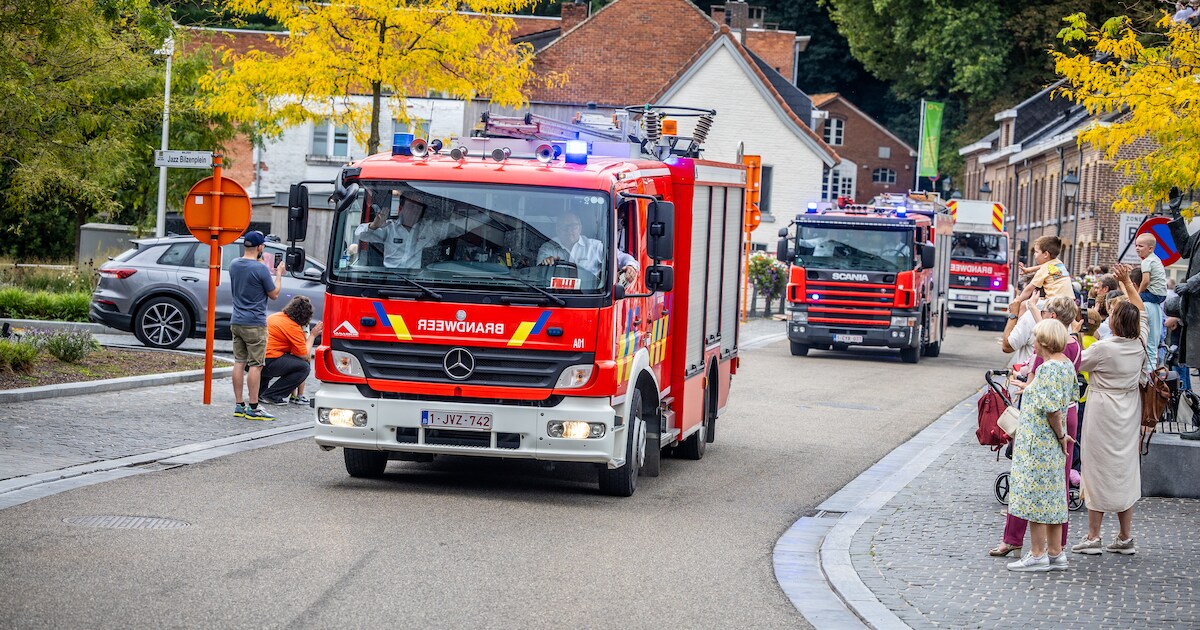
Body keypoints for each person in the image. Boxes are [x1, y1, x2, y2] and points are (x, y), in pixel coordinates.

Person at [989, 297, 1082, 559]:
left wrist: (1025, 383)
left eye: (1044, 311)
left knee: (1028, 481)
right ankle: (1057, 544)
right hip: (1068, 412)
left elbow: (1043, 393)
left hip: (1046, 421)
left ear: (1052, 315)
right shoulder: (1073, 343)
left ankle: (1018, 541)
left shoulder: (1050, 351)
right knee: (1057, 483)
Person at [1071, 264, 1147, 556]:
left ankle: (1093, 537)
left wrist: (1076, 333)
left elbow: (1075, 361)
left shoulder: (1104, 349)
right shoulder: (1139, 342)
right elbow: (1139, 309)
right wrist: (1128, 282)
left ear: (1115, 323)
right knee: (1125, 469)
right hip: (1129, 408)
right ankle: (1125, 536)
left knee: (1097, 469)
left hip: (1103, 409)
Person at [231, 230, 284, 422]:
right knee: (256, 365)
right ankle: (253, 407)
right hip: (255, 323)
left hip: (236, 320)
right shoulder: (261, 269)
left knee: (239, 362)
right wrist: (278, 274)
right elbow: (274, 294)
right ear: (260, 247)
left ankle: (239, 405)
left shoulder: (234, 264)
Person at [537, 210, 637, 283]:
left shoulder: (594, 246)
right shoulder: (548, 247)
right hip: (554, 295)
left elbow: (622, 257)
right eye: (564, 226)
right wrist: (547, 262)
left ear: (580, 227)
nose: (569, 230)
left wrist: (630, 266)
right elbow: (538, 272)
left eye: (573, 226)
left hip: (589, 296)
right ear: (557, 229)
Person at [354, 194, 450, 269]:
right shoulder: (389, 227)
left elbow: (457, 227)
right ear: (401, 209)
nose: (414, 211)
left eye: (418, 208)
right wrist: (374, 225)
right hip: (389, 279)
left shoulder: (429, 229)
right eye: (411, 207)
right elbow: (359, 235)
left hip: (418, 280)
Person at [259, 295, 322, 405]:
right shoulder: (292, 327)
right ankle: (272, 395)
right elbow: (305, 355)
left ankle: (261, 393)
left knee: (279, 357)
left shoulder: (276, 316)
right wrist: (312, 335)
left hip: (255, 359)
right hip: (268, 361)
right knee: (303, 367)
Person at [1136, 233, 1168, 370]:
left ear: (1150, 248)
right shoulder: (1156, 259)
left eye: (1141, 246)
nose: (1137, 248)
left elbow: (1146, 281)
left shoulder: (1146, 261)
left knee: (1132, 301)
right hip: (1161, 295)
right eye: (1136, 245)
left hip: (1152, 295)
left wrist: (1138, 294)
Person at [1016, 235, 1074, 303]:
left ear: (1046, 254)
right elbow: (1043, 266)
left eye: (1036, 252)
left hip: (1055, 303)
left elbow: (1029, 289)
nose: (1034, 254)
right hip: (1070, 302)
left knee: (1024, 305)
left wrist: (1017, 301)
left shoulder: (1043, 270)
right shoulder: (1059, 263)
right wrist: (1028, 270)